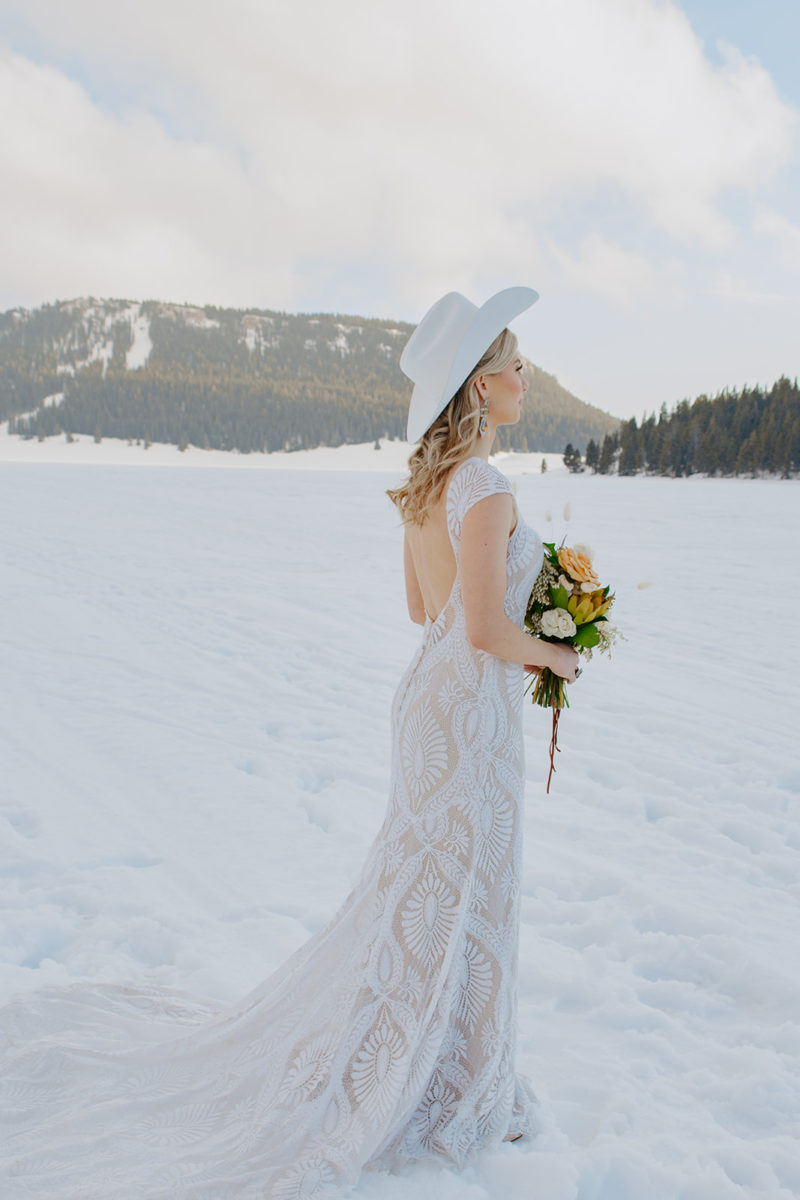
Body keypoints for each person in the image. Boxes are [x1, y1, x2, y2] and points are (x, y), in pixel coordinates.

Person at [0, 287, 577, 1200]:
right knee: (469, 888)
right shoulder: (487, 488)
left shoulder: (430, 486)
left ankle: (435, 1059)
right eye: (511, 364)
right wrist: (557, 650)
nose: (524, 377)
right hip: (470, 716)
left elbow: (419, 609)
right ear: (477, 387)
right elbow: (474, 628)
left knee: (424, 884)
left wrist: (514, 625)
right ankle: (451, 1080)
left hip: (431, 710)